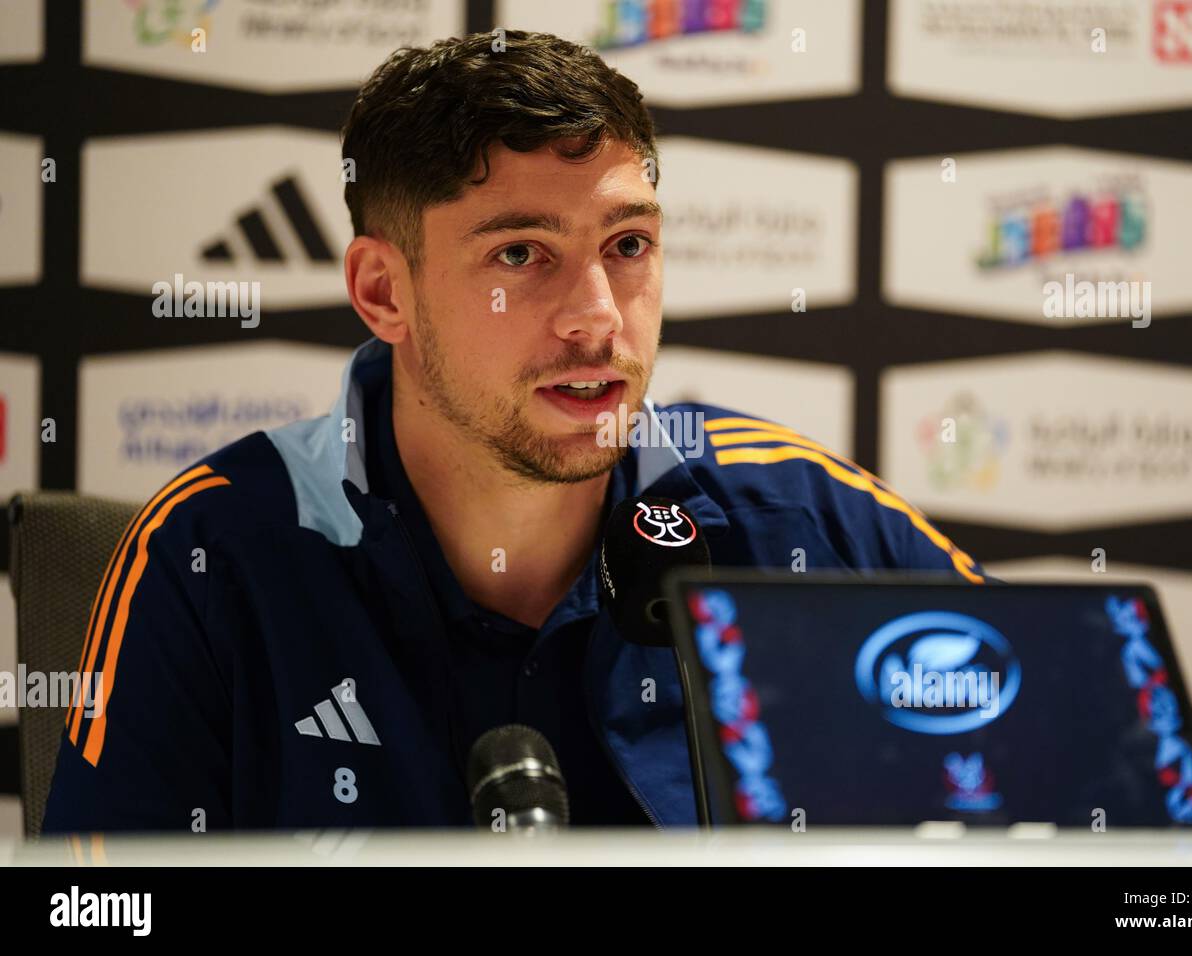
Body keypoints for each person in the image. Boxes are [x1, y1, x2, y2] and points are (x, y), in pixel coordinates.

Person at [43, 30, 983, 832]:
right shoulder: (208, 555)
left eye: (628, 247)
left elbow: (1079, 791)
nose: (597, 318)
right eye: (522, 254)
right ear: (383, 291)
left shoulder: (807, 522)